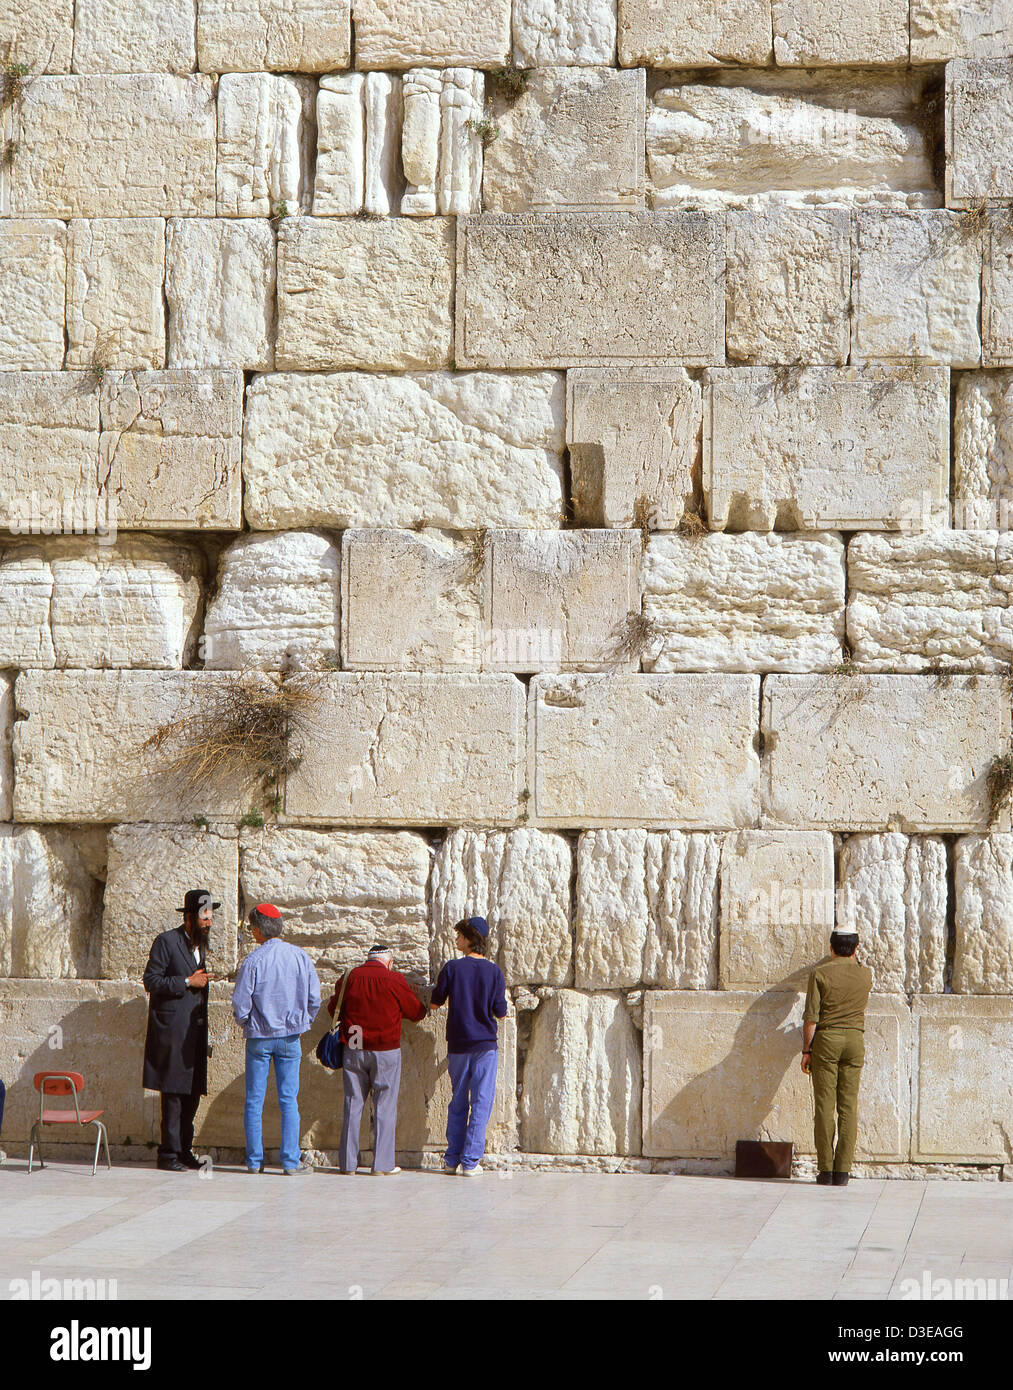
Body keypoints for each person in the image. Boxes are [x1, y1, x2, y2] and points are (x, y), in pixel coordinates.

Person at [232, 903, 321, 1175]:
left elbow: (239, 1004)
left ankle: (255, 1161)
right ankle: (291, 1161)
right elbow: (314, 998)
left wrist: (248, 1023)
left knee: (254, 1100)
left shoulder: (253, 961)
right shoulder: (299, 957)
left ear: (258, 930)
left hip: (259, 1037)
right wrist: (303, 1022)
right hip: (290, 1037)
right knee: (288, 1100)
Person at [327, 944, 427, 1176]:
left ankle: (348, 1164)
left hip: (354, 1044)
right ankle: (381, 1165)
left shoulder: (350, 977)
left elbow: (333, 1008)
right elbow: (416, 1013)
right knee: (384, 1105)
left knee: (352, 1103)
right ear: (389, 962)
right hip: (385, 1047)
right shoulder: (394, 979)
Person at [142, 887, 217, 1172]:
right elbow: (152, 981)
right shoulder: (166, 942)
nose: (209, 923)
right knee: (173, 1094)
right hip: (172, 1033)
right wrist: (187, 982)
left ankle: (185, 1149)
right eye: (205, 918)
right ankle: (168, 1153)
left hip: (194, 1034)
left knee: (192, 1092)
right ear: (189, 917)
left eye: (211, 918)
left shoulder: (199, 946)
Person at [429, 915, 507, 1176]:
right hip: (485, 1044)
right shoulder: (495, 972)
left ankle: (451, 1159)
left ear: (470, 939)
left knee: (458, 1100)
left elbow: (435, 1002)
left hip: (459, 1044)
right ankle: (471, 1161)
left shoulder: (452, 968)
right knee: (482, 1102)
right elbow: (500, 1012)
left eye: (460, 936)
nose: (456, 940)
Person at [801, 925, 873, 1188]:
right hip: (855, 1041)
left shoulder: (819, 973)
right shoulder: (866, 975)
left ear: (831, 948)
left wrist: (806, 1050)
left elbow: (811, 1018)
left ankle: (825, 1170)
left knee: (824, 1106)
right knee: (848, 1106)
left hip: (827, 1042)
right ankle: (843, 1172)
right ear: (855, 948)